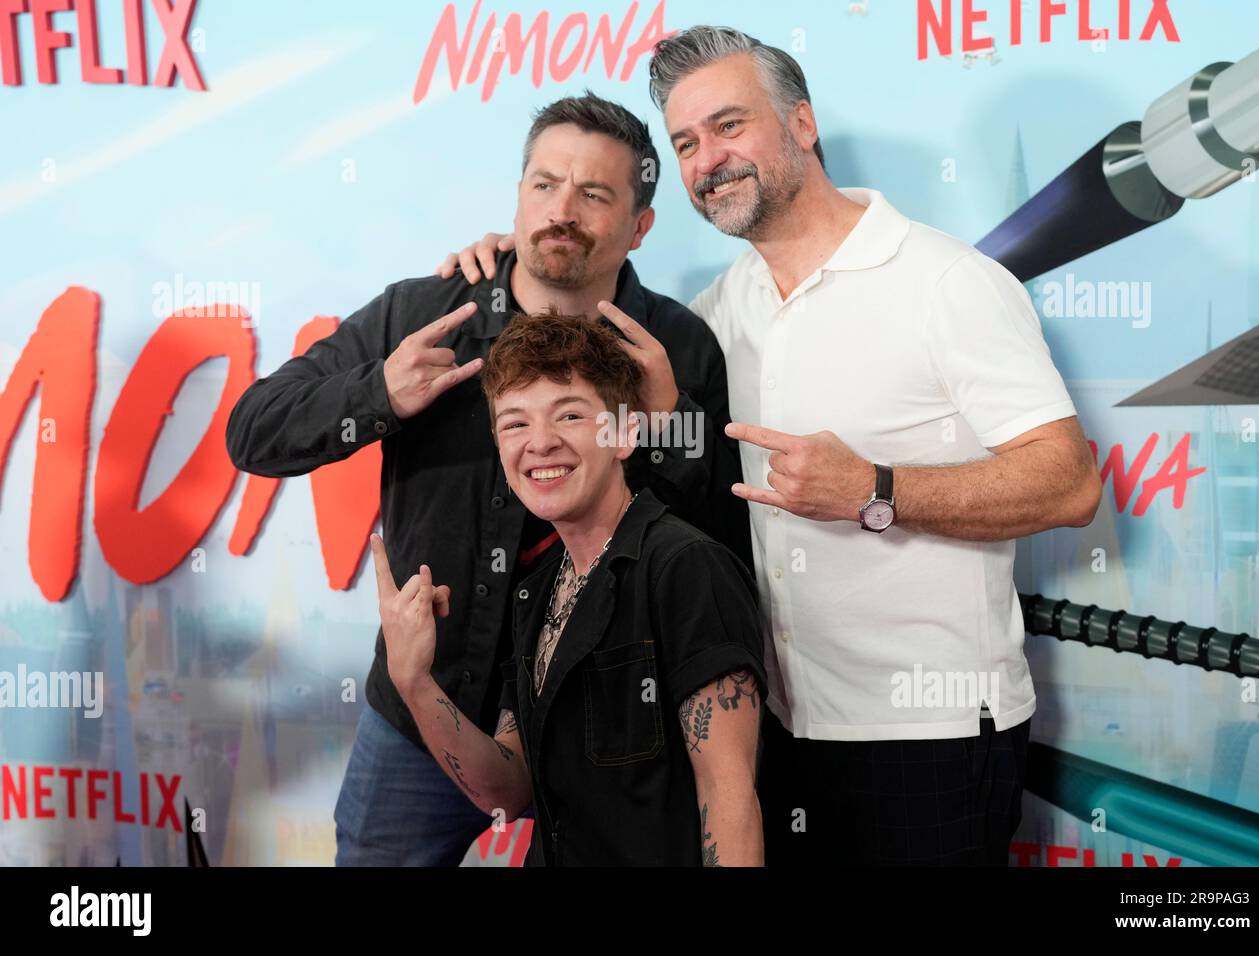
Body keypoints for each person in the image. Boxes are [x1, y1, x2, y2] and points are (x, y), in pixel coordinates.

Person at [438, 26, 1103, 866]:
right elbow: (612, 387)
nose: (708, 158)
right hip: (776, 735)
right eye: (686, 143)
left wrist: (873, 488)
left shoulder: (945, 282)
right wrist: (511, 266)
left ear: (802, 123)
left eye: (729, 125)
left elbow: (1070, 485)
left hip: (926, 737)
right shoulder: (715, 314)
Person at [225, 92, 749, 866]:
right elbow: (253, 431)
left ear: (640, 225)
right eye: (545, 185)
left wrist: (671, 425)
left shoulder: (677, 345)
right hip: (423, 714)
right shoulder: (427, 312)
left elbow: (721, 542)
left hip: (610, 728)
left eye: (593, 193)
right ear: (518, 195)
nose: (561, 210)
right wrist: (379, 393)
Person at [371, 310, 766, 866]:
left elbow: (729, 799)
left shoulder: (686, 569)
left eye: (570, 415)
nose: (541, 443)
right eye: (515, 424)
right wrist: (413, 682)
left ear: (625, 434)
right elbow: (507, 791)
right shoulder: (536, 591)